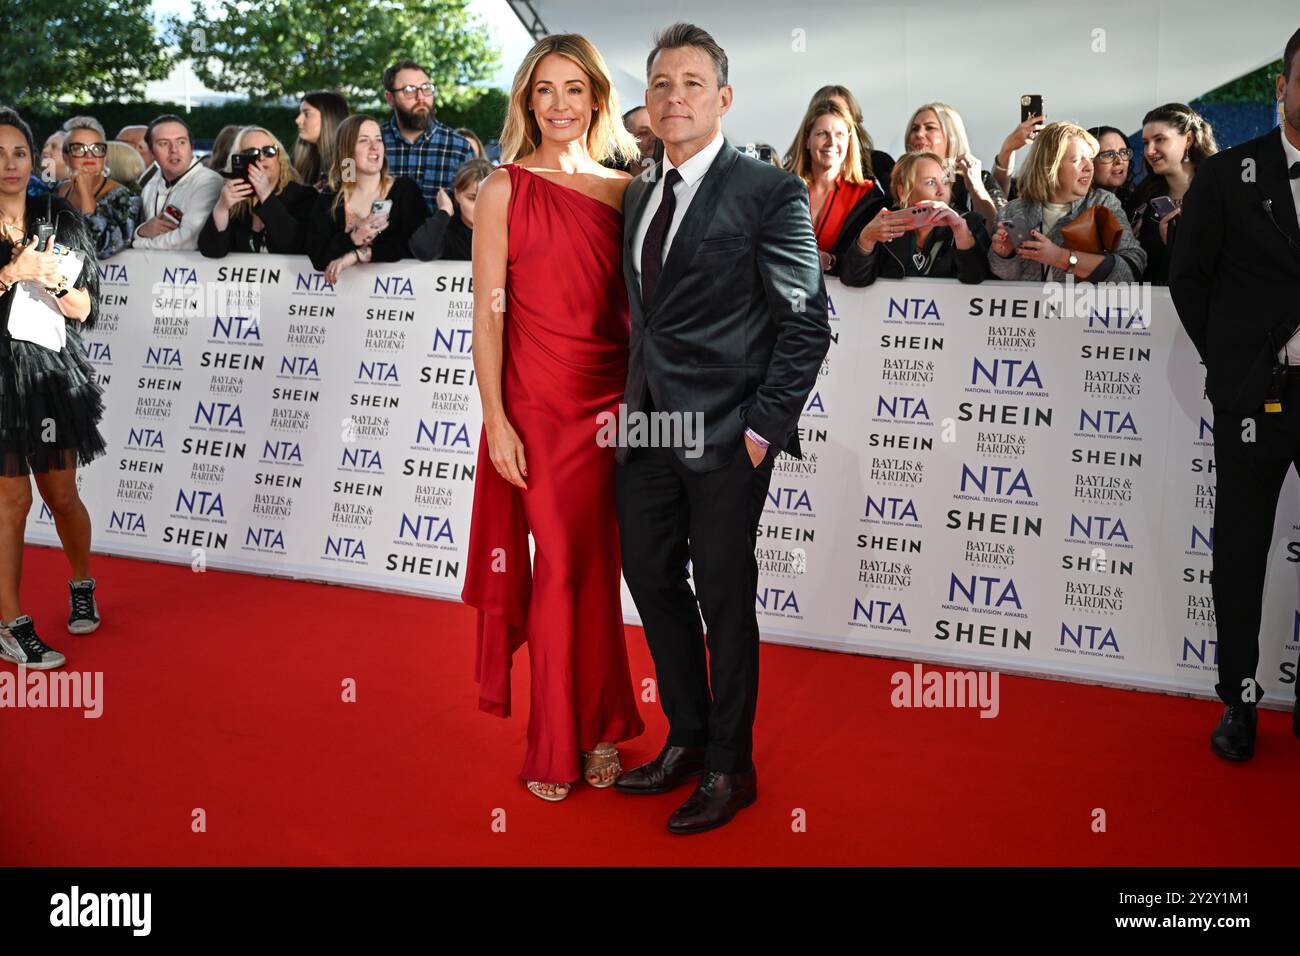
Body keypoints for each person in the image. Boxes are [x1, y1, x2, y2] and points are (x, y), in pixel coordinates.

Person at [613, 23, 830, 834]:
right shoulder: (639, 189)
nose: (675, 97)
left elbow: (807, 323)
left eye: (692, 83)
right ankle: (688, 739)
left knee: (725, 600)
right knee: (652, 580)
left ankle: (732, 768)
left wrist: (760, 431)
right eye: (662, 83)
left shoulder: (768, 190)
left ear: (724, 98)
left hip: (727, 434)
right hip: (644, 432)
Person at [461, 34, 645, 803]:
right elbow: (487, 318)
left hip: (615, 405)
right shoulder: (506, 188)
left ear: (598, 98)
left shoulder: (625, 190)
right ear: (527, 102)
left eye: (575, 90)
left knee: (600, 568)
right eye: (546, 91)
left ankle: (604, 726)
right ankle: (555, 741)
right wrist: (496, 419)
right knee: (561, 566)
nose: (561, 105)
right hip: (537, 406)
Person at [1168, 26, 1300, 761]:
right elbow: (1189, 278)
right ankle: (1240, 703)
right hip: (1256, 397)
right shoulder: (1230, 176)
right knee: (1243, 551)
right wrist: (1233, 362)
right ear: (1281, 86)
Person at [0, 107, 107, 668]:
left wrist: (58, 280)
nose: (10, 164)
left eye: (18, 152)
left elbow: (86, 308)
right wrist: (9, 274)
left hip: (48, 376)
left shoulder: (59, 217)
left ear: (34, 156)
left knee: (61, 494)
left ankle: (82, 581)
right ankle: (11, 623)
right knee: (10, 501)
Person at [989, 122, 1145, 282]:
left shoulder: (1102, 203)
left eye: (1090, 159)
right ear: (1049, 165)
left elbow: (1131, 269)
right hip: (1029, 307)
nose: (1089, 167)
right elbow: (1004, 277)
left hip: (1083, 306)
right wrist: (1005, 255)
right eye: (1078, 159)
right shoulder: (1012, 211)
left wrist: (1060, 257)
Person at [304, 115, 427, 283]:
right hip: (340, 300)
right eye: (364, 141)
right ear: (347, 150)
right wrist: (354, 238)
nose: (375, 146)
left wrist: (357, 255)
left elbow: (415, 246)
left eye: (378, 139)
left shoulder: (405, 190)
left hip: (396, 300)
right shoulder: (331, 195)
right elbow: (318, 257)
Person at [840, 151, 990, 285]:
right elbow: (853, 279)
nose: (941, 191)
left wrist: (960, 231)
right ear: (903, 192)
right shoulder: (882, 224)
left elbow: (976, 279)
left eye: (945, 182)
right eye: (931, 182)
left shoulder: (970, 223)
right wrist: (866, 239)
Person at [784, 97, 879, 275]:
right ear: (807, 140)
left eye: (840, 134)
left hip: (846, 299)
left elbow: (866, 266)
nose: (831, 142)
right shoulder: (783, 188)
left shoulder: (866, 194)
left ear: (849, 141)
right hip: (785, 293)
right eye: (822, 134)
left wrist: (829, 261)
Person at [1130, 103, 1218, 285]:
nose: (1149, 151)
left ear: (1188, 139)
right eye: (1146, 143)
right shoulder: (1142, 199)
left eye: (1160, 139)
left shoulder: (1219, 191)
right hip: (1150, 305)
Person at [199, 126, 315, 258]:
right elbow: (211, 251)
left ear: (279, 158)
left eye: (269, 151)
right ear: (239, 160)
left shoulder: (304, 196)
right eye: (251, 153)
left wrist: (265, 195)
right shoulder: (234, 200)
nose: (261, 157)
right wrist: (221, 208)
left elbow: (296, 246)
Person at [380, 59, 476, 212]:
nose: (421, 97)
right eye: (409, 90)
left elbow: (479, 208)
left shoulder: (460, 148)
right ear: (390, 98)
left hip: (442, 236)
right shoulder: (372, 142)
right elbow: (345, 184)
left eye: (426, 88)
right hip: (376, 235)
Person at [904, 102, 1005, 230]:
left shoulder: (979, 179)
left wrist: (976, 188)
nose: (919, 134)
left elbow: (1002, 232)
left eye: (930, 128)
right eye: (914, 128)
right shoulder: (901, 180)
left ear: (951, 136)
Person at [53, 118, 141, 259]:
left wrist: (86, 194)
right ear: (65, 156)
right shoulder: (54, 191)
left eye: (97, 148)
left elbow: (100, 248)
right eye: (79, 148)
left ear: (104, 156)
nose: (89, 155)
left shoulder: (126, 198)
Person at [132, 115, 223, 251]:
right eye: (163, 143)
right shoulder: (150, 184)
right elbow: (145, 229)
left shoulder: (208, 181)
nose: (174, 149)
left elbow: (188, 242)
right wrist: (142, 231)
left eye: (181, 142)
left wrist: (137, 242)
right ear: (152, 152)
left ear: (191, 147)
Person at [802, 85, 894, 199]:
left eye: (842, 111)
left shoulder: (880, 163)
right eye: (828, 109)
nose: (835, 116)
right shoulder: (791, 179)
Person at [409, 157, 490, 261]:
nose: (481, 207)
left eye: (488, 198)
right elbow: (423, 250)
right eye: (472, 198)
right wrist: (445, 211)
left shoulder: (508, 230)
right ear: (457, 194)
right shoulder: (446, 231)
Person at [292, 91, 349, 190]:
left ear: (329, 118)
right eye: (300, 113)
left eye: (307, 114)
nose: (298, 120)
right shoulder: (301, 161)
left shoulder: (349, 161)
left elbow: (350, 198)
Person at [1086, 125, 1136, 212]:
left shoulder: (1138, 200)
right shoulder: (1072, 208)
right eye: (1109, 154)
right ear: (1088, 161)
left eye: (1123, 152)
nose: (1119, 161)